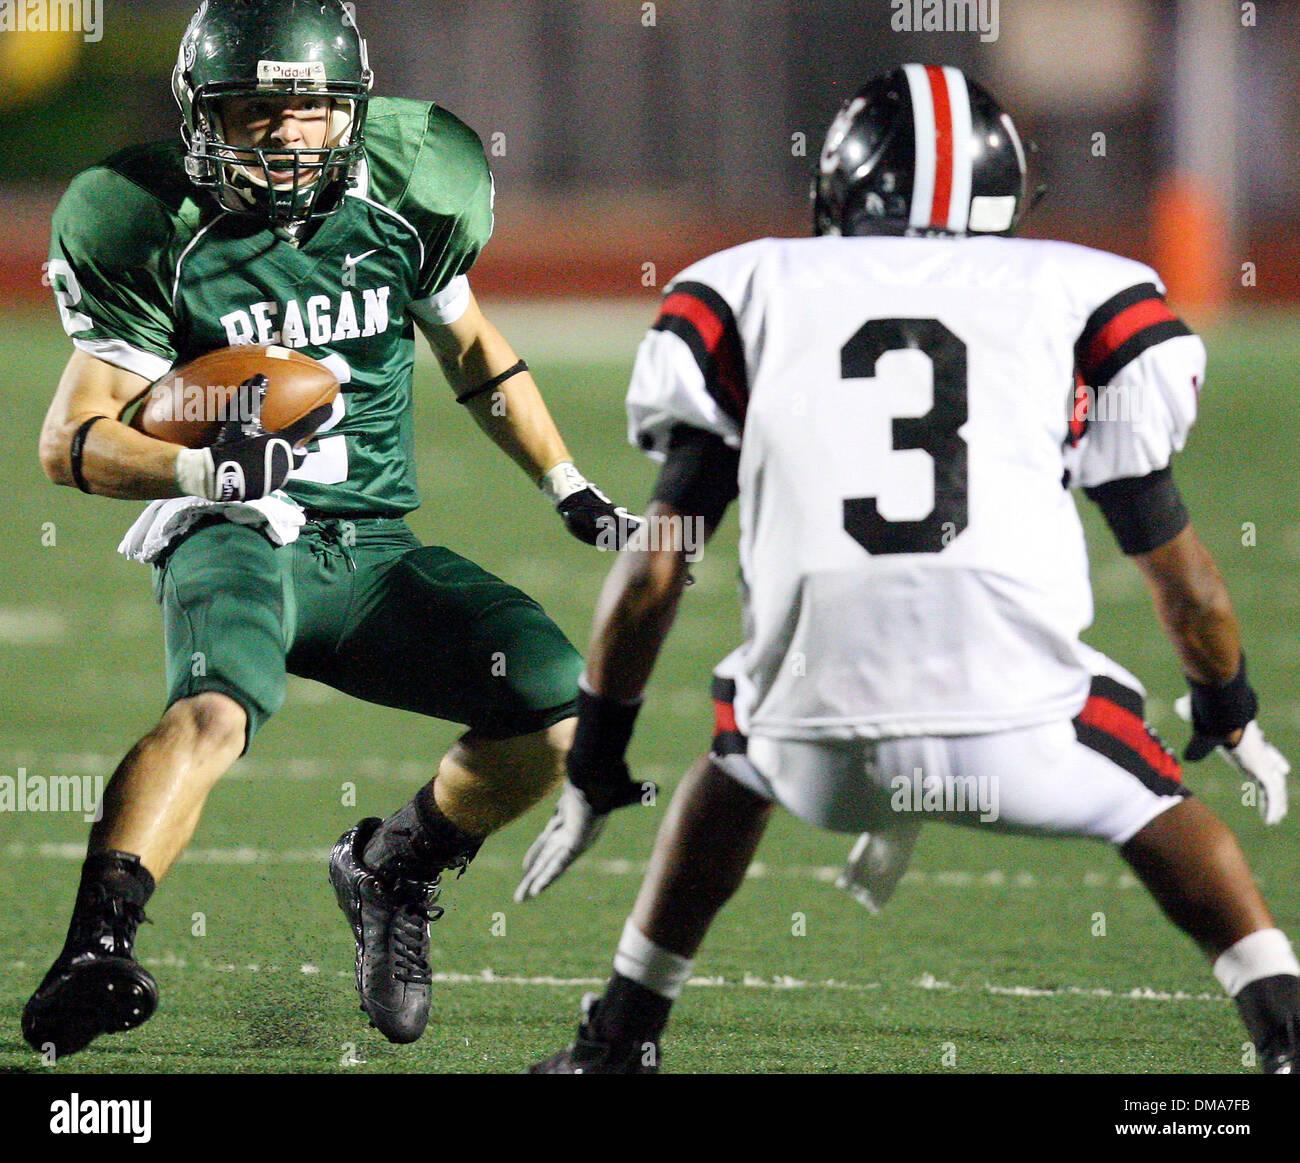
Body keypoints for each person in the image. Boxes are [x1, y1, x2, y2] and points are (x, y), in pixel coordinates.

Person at [517, 64, 1296, 1074]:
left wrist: (596, 756)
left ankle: (618, 1037)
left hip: (818, 759)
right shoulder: (1080, 288)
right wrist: (1226, 704)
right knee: (1141, 778)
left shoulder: (749, 284)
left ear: (840, 186)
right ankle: (1281, 1026)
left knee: (737, 735)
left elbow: (655, 574)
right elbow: (1184, 582)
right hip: (1023, 742)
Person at [24, 0, 640, 1058]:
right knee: (217, 710)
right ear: (200, 115)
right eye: (253, 108)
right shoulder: (148, 219)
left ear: (348, 113)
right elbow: (71, 439)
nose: (282, 133)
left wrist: (567, 480)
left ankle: (393, 867)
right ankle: (97, 947)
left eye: (306, 107)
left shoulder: (413, 185)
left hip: (372, 549)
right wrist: (198, 465)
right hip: (235, 529)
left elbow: (473, 347)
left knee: (552, 702)